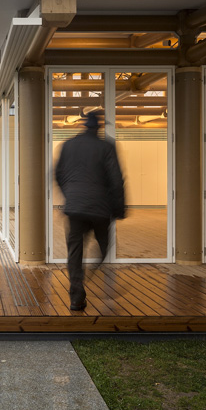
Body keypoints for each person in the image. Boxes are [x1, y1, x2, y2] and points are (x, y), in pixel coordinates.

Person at [55, 111, 125, 311]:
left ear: (84, 126)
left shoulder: (67, 146)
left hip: (75, 209)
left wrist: (69, 195)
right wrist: (118, 209)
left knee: (75, 253)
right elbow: (116, 180)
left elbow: (58, 175)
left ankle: (77, 296)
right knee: (105, 245)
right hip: (100, 210)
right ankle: (92, 272)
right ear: (98, 128)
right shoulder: (106, 147)